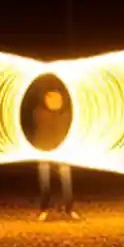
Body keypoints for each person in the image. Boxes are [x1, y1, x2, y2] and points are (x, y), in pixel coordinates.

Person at [23, 84, 82, 222]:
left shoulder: (66, 115)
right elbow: (39, 130)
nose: (53, 101)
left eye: (57, 98)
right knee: (45, 182)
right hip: (44, 150)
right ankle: (44, 209)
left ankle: (69, 209)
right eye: (49, 98)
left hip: (62, 150)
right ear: (45, 100)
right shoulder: (39, 113)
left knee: (66, 181)